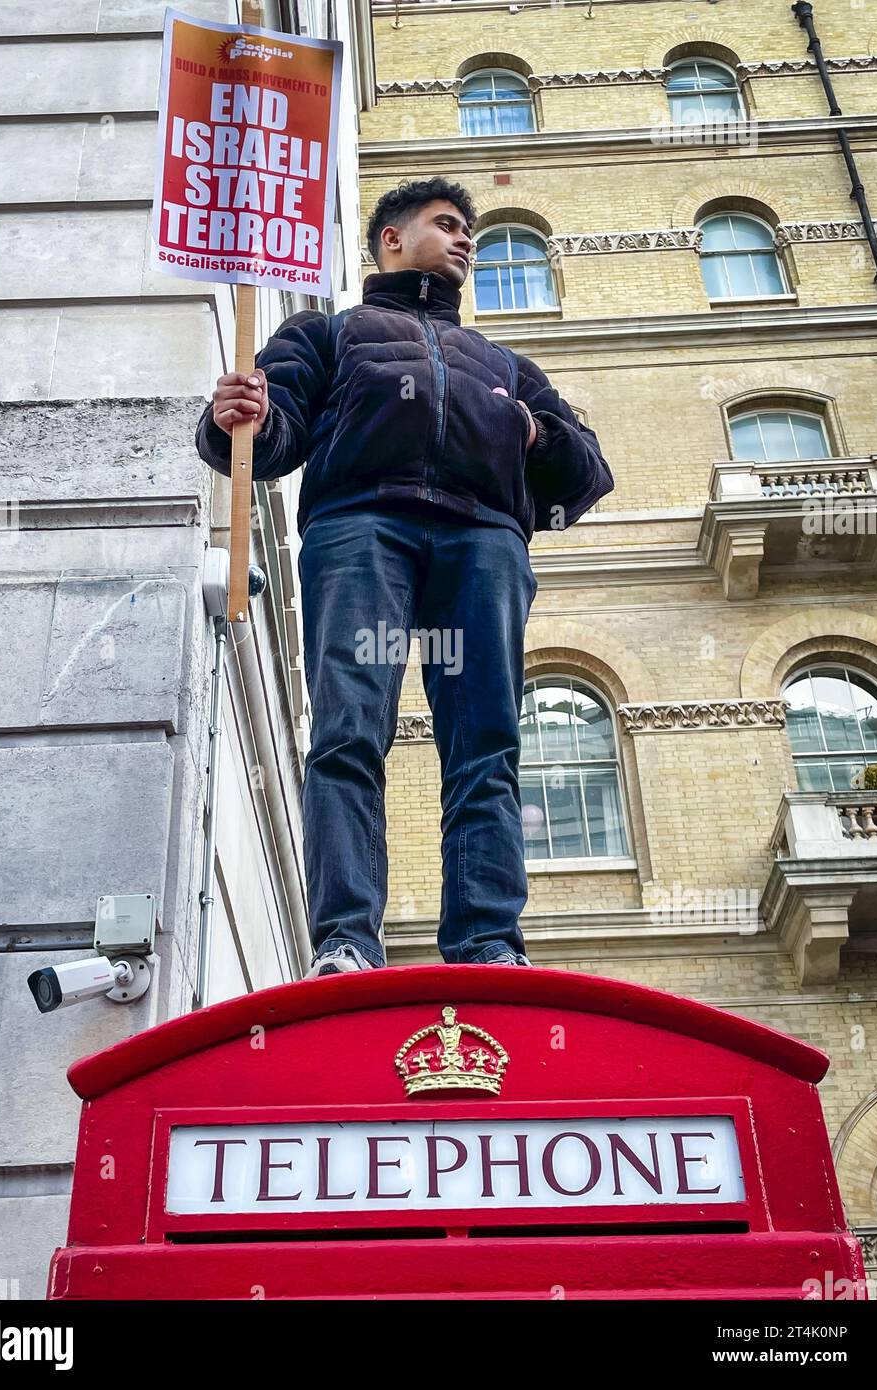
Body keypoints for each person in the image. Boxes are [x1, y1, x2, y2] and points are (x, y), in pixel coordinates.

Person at [195, 176, 614, 977]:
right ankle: (346, 941)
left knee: (484, 744)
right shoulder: (327, 333)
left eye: (471, 233)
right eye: (448, 225)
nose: (465, 242)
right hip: (360, 530)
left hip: (484, 540)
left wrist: (536, 431)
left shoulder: (504, 364)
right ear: (391, 239)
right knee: (348, 732)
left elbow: (584, 477)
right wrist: (235, 420)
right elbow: (268, 440)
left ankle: (486, 945)